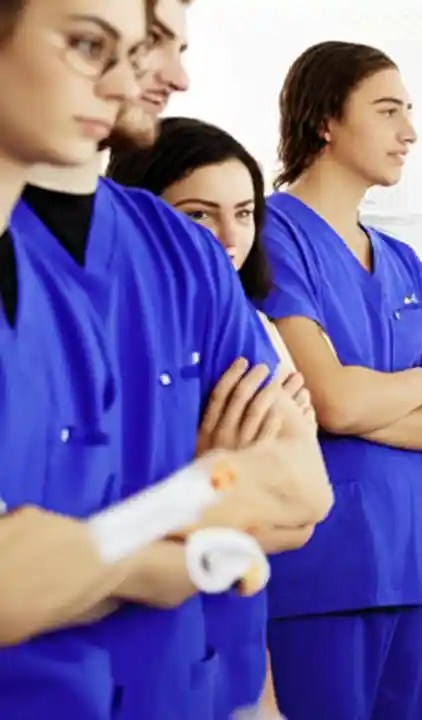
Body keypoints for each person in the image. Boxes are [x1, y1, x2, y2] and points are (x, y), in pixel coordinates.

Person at [20, 0, 333, 717]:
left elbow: (301, 491)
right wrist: (205, 499)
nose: (172, 73)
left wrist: (102, 543)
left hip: (195, 681)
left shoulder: (183, 256)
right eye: (95, 42)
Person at [258, 40, 422, 720]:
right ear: (325, 120)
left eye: (408, 113)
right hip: (317, 569)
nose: (409, 132)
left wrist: (361, 404)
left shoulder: (403, 260)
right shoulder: (272, 238)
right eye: (388, 111)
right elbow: (328, 400)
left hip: (406, 563)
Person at [106, 116, 314, 719]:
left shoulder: (257, 329)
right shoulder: (104, 326)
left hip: (233, 634)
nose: (226, 236)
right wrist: (217, 477)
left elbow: (295, 512)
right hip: (128, 640)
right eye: (199, 214)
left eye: (244, 213)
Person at [0, 1, 147, 716]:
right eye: (88, 45)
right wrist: (208, 497)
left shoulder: (40, 282)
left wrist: (79, 556)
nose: (123, 87)